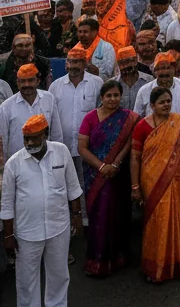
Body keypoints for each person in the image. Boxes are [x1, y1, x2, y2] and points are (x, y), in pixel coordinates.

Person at [0, 115, 82, 307]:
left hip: (59, 227)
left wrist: (77, 215)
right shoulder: (14, 163)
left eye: (34, 138)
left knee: (59, 275)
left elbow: (73, 187)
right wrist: (8, 235)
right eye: (26, 139)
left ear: (46, 134)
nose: (29, 143)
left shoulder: (61, 152)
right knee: (26, 281)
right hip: (27, 233)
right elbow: (7, 203)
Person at [130, 87, 180, 283]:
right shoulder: (142, 126)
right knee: (155, 220)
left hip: (176, 178)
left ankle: (177, 262)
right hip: (151, 180)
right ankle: (154, 265)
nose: (166, 105)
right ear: (152, 105)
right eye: (161, 102)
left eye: (168, 101)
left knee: (176, 217)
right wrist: (135, 186)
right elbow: (135, 158)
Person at [77, 79, 139, 277]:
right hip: (95, 175)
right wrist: (102, 166)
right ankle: (98, 261)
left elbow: (129, 142)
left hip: (119, 174)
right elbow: (82, 148)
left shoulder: (128, 118)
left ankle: (119, 257)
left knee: (119, 214)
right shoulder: (90, 118)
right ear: (101, 97)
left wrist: (116, 163)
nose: (113, 99)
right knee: (99, 215)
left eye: (116, 95)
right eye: (109, 96)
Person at [49, 44, 102, 221]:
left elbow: (102, 113)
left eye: (78, 62)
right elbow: (51, 117)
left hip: (88, 147)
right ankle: (69, 221)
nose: (74, 66)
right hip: (63, 145)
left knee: (87, 184)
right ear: (66, 64)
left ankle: (87, 221)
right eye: (70, 62)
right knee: (64, 185)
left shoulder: (97, 83)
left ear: (85, 63)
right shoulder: (56, 86)